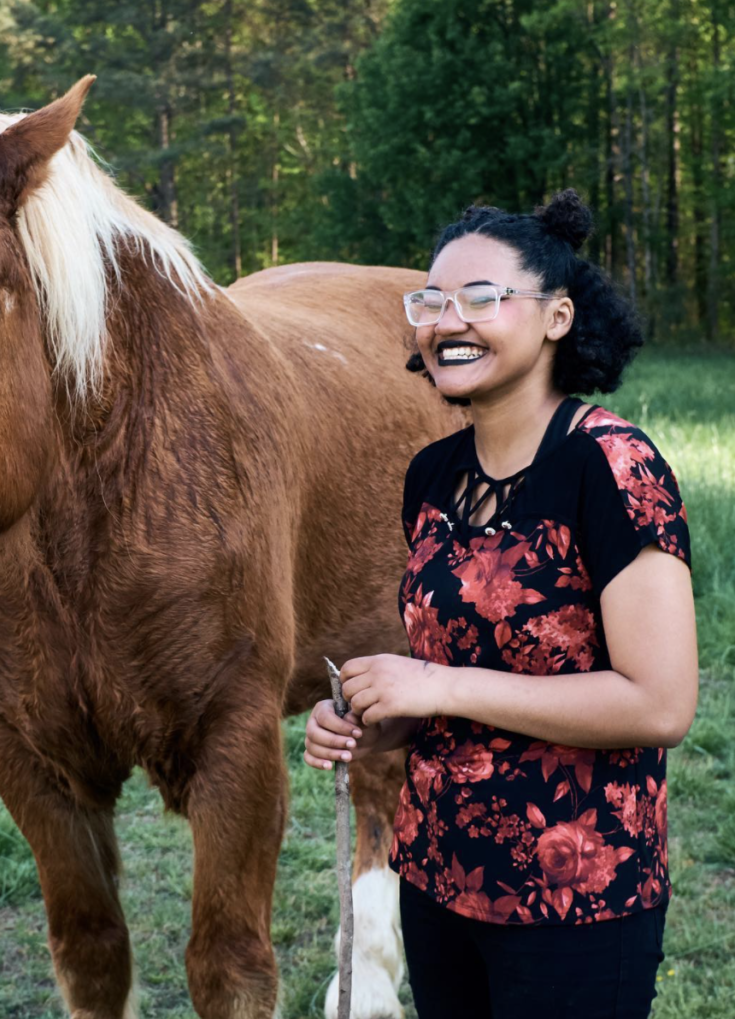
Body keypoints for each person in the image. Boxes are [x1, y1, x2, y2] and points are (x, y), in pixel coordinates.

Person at [303, 189, 697, 1019]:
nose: (448, 321)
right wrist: (376, 721)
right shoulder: (432, 476)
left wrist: (437, 684)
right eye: (431, 301)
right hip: (438, 880)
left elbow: (660, 702)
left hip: (577, 900)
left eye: (481, 298)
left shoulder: (613, 467)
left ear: (557, 317)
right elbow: (452, 688)